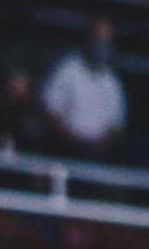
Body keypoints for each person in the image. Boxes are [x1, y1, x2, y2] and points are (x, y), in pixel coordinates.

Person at [41, 17, 126, 157]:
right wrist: (72, 141)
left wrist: (99, 145)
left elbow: (116, 125)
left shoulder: (112, 81)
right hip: (63, 151)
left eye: (107, 40)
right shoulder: (67, 69)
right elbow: (51, 111)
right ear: (89, 37)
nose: (102, 44)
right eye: (99, 38)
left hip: (97, 157)